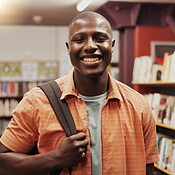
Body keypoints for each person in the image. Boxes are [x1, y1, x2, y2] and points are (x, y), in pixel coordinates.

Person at [0, 11, 159, 175]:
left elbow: (148, 169)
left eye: (100, 38)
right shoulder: (37, 102)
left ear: (112, 45)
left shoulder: (139, 106)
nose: (90, 45)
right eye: (79, 39)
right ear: (68, 48)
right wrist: (55, 158)